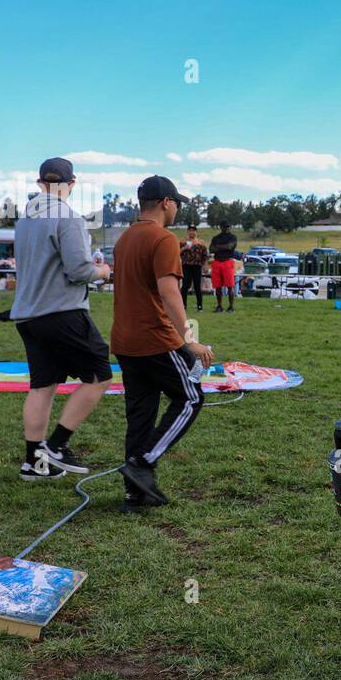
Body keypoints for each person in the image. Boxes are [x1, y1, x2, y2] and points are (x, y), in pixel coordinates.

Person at [111, 176, 215, 513]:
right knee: (190, 398)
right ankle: (142, 462)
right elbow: (170, 293)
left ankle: (133, 495)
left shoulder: (125, 238)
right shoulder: (164, 239)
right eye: (177, 203)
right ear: (167, 203)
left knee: (140, 415)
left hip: (125, 341)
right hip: (155, 339)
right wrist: (191, 341)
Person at [11, 157, 114, 481]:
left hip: (28, 315)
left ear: (40, 182)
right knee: (99, 376)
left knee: (42, 386)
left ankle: (35, 463)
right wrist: (104, 271)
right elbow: (79, 270)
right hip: (61, 312)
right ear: (72, 184)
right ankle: (56, 446)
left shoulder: (25, 218)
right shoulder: (68, 217)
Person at [208, 222, 238, 313]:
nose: (227, 228)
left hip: (227, 261)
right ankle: (219, 306)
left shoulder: (233, 237)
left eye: (228, 226)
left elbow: (230, 246)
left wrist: (218, 247)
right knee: (217, 286)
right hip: (217, 262)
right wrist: (224, 247)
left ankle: (231, 307)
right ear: (221, 227)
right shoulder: (216, 237)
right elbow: (211, 249)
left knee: (230, 286)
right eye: (225, 227)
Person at [179, 225, 207, 312]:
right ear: (187, 231)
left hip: (197, 265)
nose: (192, 232)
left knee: (197, 286)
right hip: (186, 265)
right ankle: (183, 306)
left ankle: (200, 306)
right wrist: (184, 248)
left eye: (194, 230)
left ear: (196, 232)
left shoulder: (201, 242)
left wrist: (205, 265)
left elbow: (205, 255)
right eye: (190, 230)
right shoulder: (183, 241)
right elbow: (176, 252)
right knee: (185, 285)